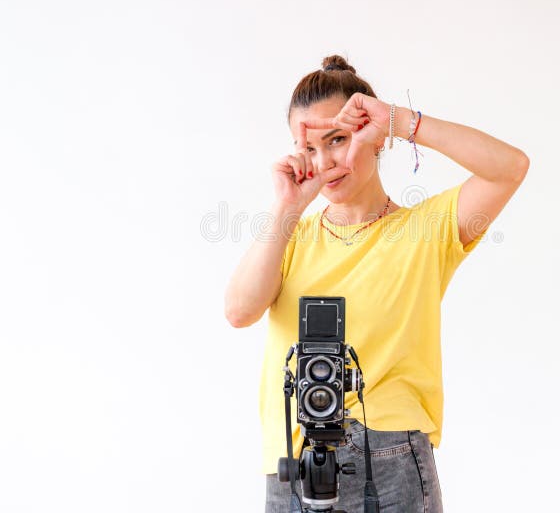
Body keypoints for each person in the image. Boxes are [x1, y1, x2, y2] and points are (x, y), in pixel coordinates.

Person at [225, 55, 530, 512]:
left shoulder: (425, 232)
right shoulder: (289, 237)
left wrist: (400, 121)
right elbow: (239, 311)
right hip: (294, 464)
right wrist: (287, 206)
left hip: (388, 463)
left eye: (338, 139)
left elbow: (510, 167)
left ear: (371, 137)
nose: (325, 161)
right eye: (309, 147)